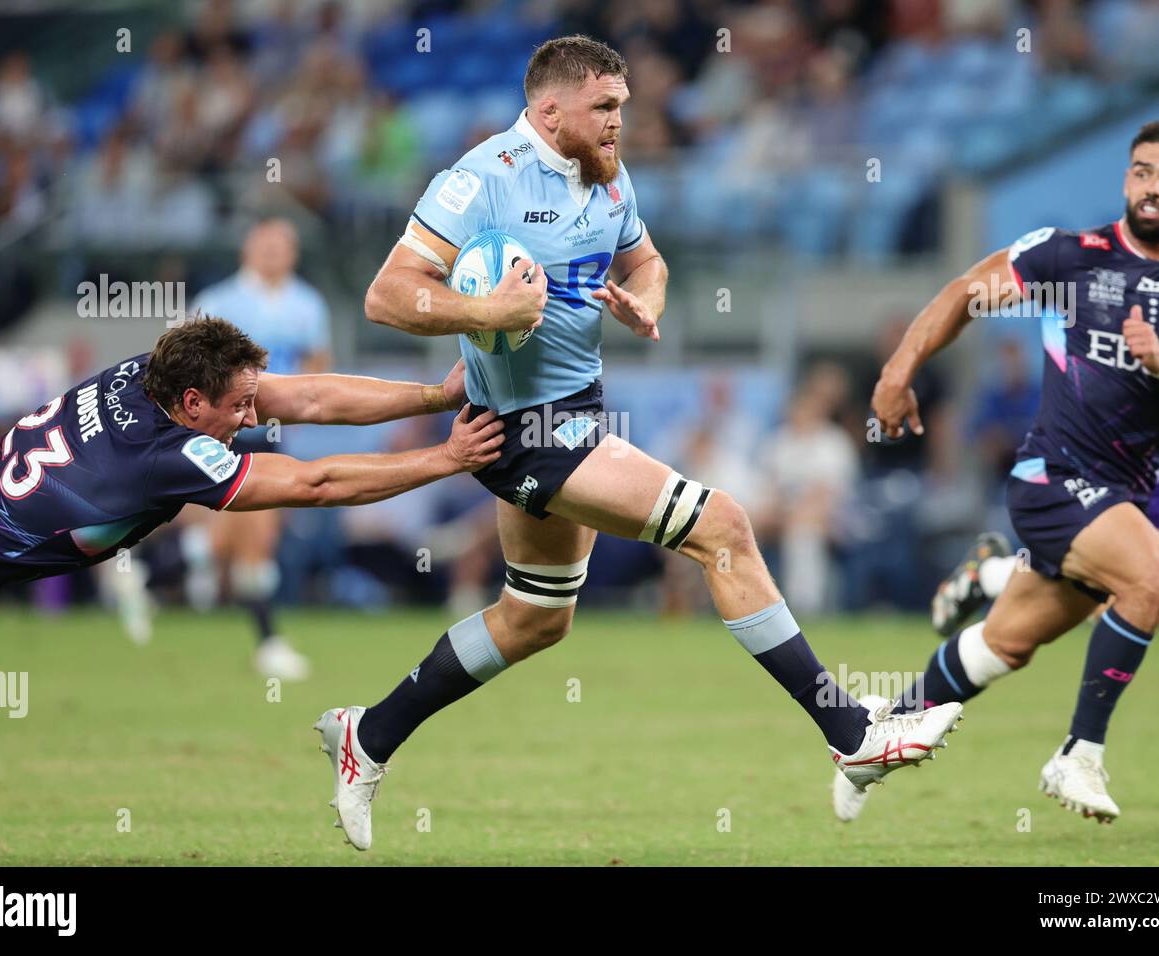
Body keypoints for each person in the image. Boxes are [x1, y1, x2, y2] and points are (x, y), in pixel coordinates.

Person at [316, 34, 964, 853]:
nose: (622, 121)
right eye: (606, 107)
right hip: (526, 431)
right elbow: (387, 296)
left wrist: (646, 299)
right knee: (721, 527)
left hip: (578, 409)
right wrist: (488, 314)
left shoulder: (608, 175)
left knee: (535, 618)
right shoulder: (480, 179)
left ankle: (367, 735)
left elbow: (648, 260)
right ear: (550, 110)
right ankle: (851, 733)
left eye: (623, 105)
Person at [838, 120, 1159, 825]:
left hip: (1123, 497)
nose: (1152, 185)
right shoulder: (1071, 257)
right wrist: (899, 373)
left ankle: (874, 740)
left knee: (1004, 644)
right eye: (1141, 170)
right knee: (1158, 577)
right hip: (1054, 479)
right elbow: (963, 292)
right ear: (1125, 181)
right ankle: (1079, 752)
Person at [0, 316, 502, 655]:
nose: (252, 420)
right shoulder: (172, 456)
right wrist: (447, 457)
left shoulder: (145, 371)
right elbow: (316, 483)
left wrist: (435, 396)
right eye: (239, 406)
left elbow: (308, 397)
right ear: (195, 403)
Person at [183, 218, 332, 679]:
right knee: (248, 539)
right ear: (248, 249)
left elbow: (318, 367)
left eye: (280, 245)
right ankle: (266, 639)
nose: (272, 253)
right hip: (219, 433)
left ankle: (194, 561)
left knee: (252, 538)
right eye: (264, 244)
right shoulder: (218, 301)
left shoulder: (307, 304)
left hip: (270, 434)